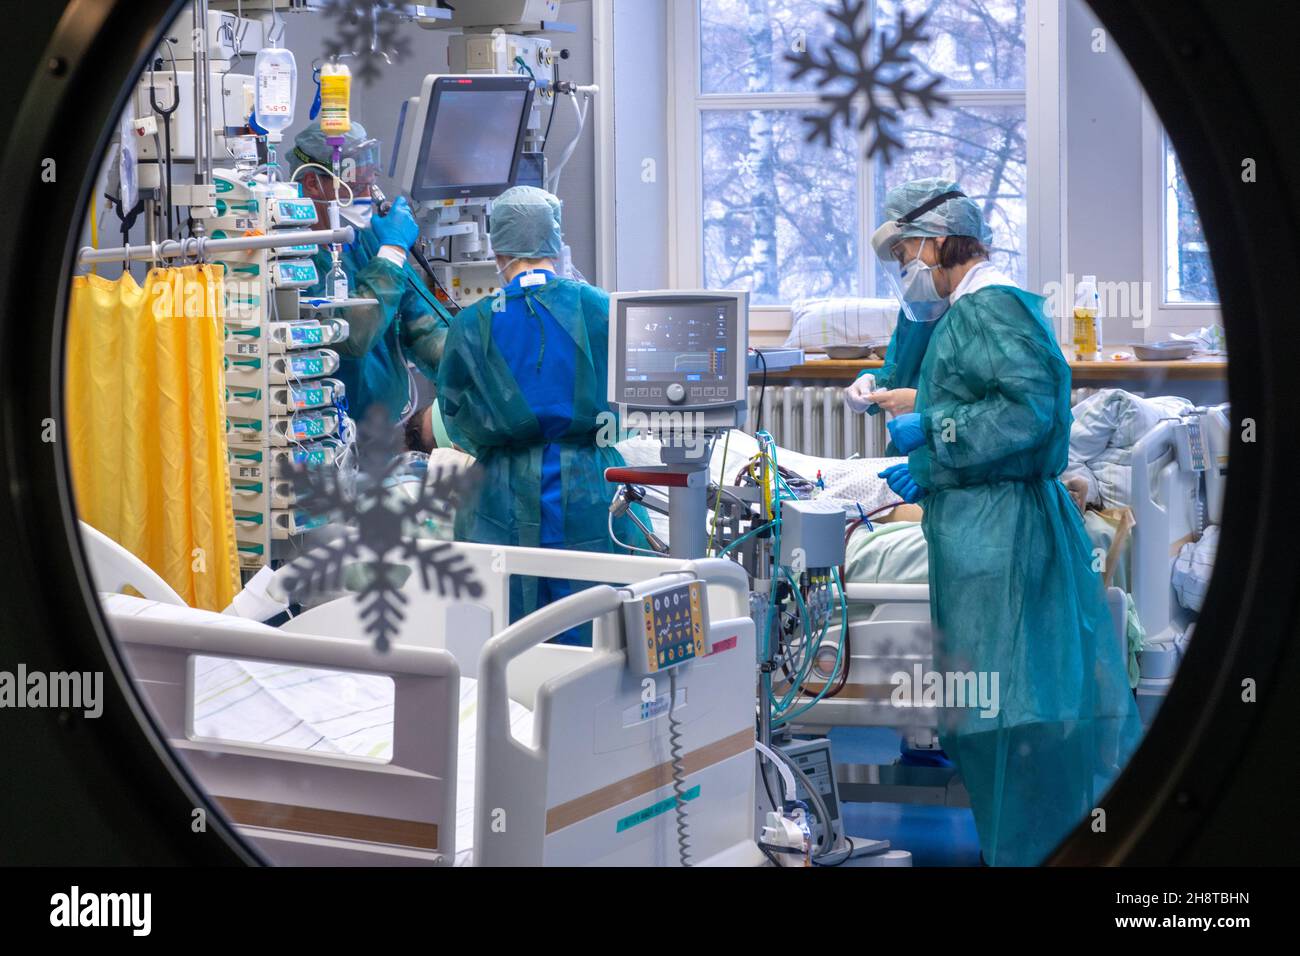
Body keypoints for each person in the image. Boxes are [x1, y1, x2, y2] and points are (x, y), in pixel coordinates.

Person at [869, 179, 1143, 866]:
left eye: (906, 255)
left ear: (935, 243)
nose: (907, 272)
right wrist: (923, 433)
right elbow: (980, 398)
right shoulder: (963, 312)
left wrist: (928, 428)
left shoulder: (990, 308)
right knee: (991, 705)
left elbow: (1031, 414)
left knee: (1011, 706)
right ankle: (1021, 847)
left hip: (1002, 527)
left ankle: (1037, 852)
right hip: (976, 518)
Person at [436, 186, 647, 643]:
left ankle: (505, 712)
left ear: (498, 249)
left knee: (505, 634)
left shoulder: (473, 323)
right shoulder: (601, 307)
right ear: (555, 241)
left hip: (500, 495)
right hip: (594, 487)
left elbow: (457, 416)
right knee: (601, 630)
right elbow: (633, 394)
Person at [289, 121, 455, 427]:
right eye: (357, 186)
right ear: (312, 183)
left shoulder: (364, 239)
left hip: (389, 428)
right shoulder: (291, 257)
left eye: (371, 183)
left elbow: (422, 325)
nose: (369, 195)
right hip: (325, 433)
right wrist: (392, 251)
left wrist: (475, 363)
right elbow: (352, 337)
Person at [843, 178, 979, 453]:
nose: (905, 270)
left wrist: (923, 404)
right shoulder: (921, 307)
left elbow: (995, 415)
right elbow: (900, 369)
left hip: (960, 462)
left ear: (938, 236)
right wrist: (873, 383)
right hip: (918, 455)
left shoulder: (983, 310)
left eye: (904, 255)